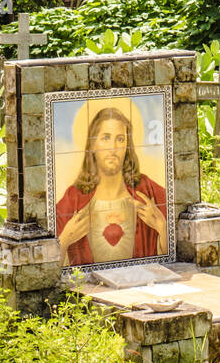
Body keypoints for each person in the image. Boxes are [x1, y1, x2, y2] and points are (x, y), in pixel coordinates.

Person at [55, 106, 167, 265]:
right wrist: (65, 240)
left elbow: (173, 258)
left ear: (127, 147)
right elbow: (46, 268)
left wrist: (163, 229)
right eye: (105, 138)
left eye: (120, 139)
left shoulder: (147, 191)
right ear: (93, 145)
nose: (113, 148)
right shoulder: (73, 199)